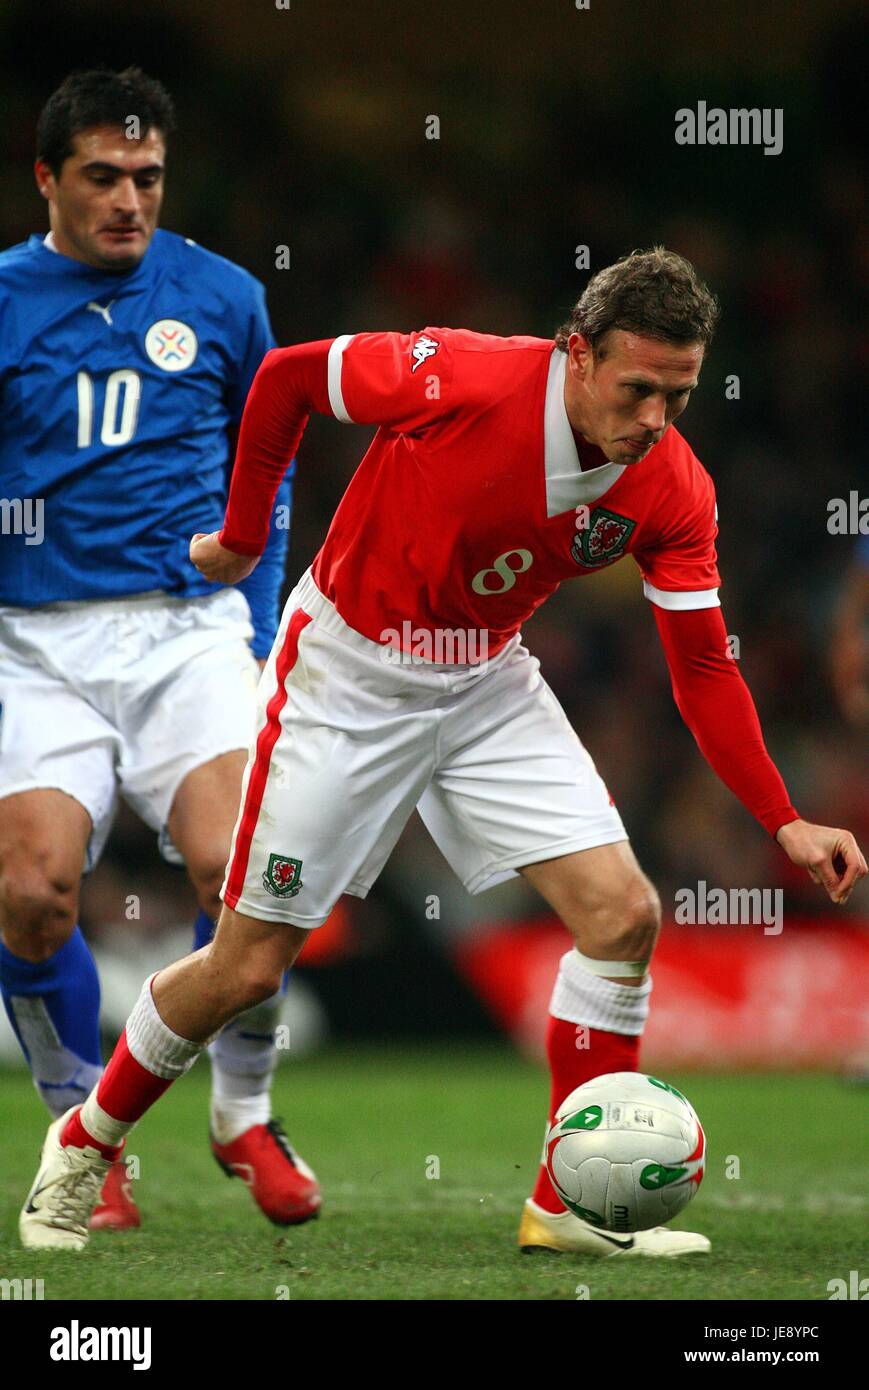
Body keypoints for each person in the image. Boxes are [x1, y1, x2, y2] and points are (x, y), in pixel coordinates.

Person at [19, 247, 866, 1254]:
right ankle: (82, 1143)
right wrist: (244, 539)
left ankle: (571, 1207)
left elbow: (701, 671)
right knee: (245, 967)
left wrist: (782, 817)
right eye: (637, 388)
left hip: (482, 681)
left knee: (621, 913)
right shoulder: (456, 373)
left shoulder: (672, 488)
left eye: (675, 397)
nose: (653, 419)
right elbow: (288, 375)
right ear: (574, 354)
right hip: (346, 676)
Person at [0, 67, 319, 1234]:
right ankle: (82, 1131)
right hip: (31, 640)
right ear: (48, 178)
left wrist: (255, 618)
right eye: (102, 177)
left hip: (188, 632)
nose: (129, 199)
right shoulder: (3, 299)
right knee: (33, 896)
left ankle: (243, 1110)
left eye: (147, 177)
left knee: (242, 876)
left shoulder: (225, 296)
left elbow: (268, 464)